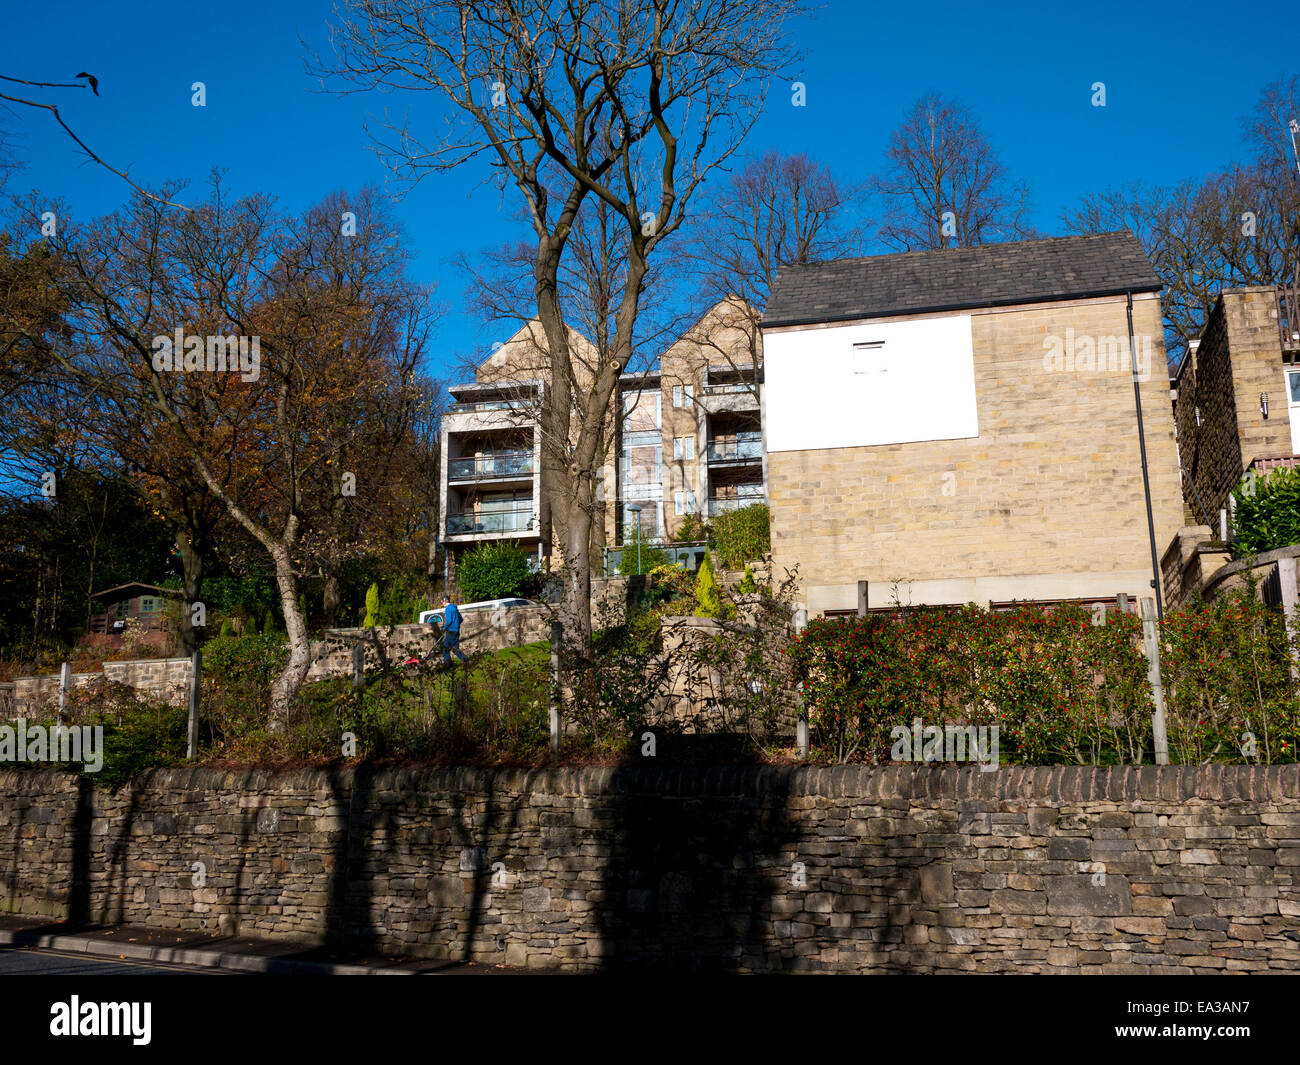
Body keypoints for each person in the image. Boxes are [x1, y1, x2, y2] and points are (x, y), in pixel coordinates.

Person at [440, 594, 469, 668]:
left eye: (442, 602)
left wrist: (444, 628)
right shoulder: (455, 608)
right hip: (456, 631)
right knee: (455, 649)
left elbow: (449, 621)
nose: (442, 604)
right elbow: (461, 619)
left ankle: (448, 664)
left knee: (445, 649)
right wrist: (456, 625)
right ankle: (466, 660)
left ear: (445, 601)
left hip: (451, 631)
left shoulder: (448, 609)